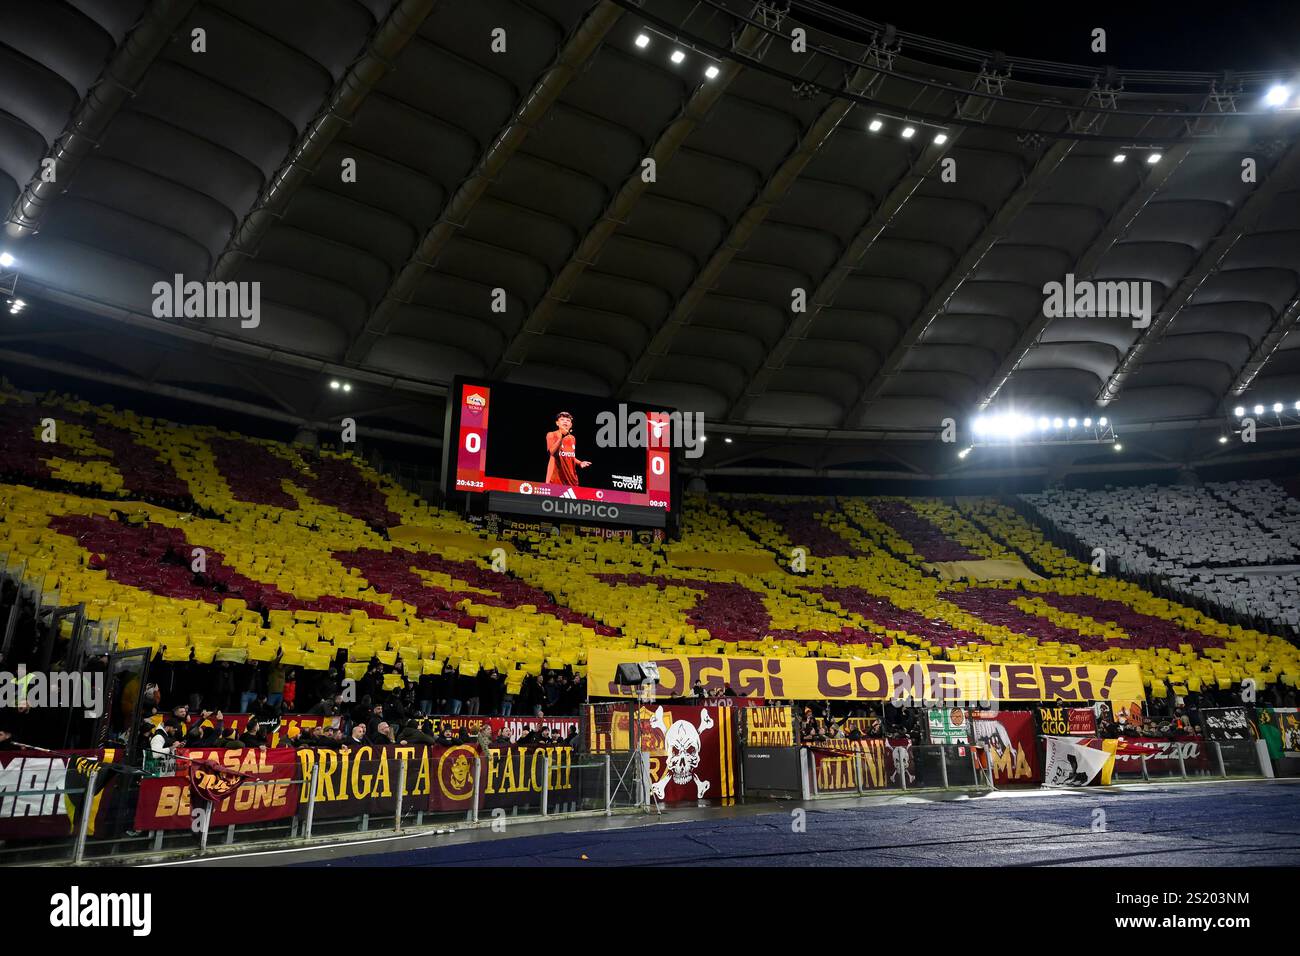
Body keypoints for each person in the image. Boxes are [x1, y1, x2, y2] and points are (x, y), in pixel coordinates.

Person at [544, 411, 590, 486]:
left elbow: (569, 456)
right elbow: (552, 453)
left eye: (568, 420)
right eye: (562, 419)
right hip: (555, 479)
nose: (565, 421)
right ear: (557, 423)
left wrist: (580, 463)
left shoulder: (572, 438)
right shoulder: (551, 435)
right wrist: (561, 438)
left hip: (571, 479)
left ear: (571, 425)